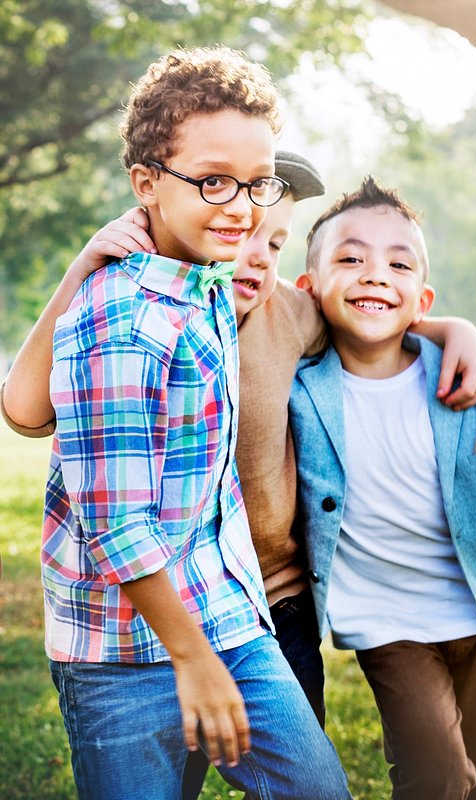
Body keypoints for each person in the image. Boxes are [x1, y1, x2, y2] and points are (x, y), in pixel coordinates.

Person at [3, 156, 476, 795]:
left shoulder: (288, 313)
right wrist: (83, 268)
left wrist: (454, 329)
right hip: (149, 612)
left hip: (269, 607)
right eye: (245, 236)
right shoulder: (138, 317)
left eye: (276, 241)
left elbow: (368, 315)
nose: (258, 255)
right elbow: (23, 408)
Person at [18, 45, 350, 800]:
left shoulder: (207, 286)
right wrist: (193, 660)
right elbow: (116, 522)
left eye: (258, 184)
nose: (243, 207)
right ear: (146, 186)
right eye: (213, 182)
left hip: (228, 616)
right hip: (124, 651)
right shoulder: (122, 317)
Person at [289, 176, 476, 800]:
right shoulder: (297, 388)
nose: (375, 275)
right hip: (387, 623)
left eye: (398, 264)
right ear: (308, 289)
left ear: (421, 297)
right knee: (437, 775)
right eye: (350, 259)